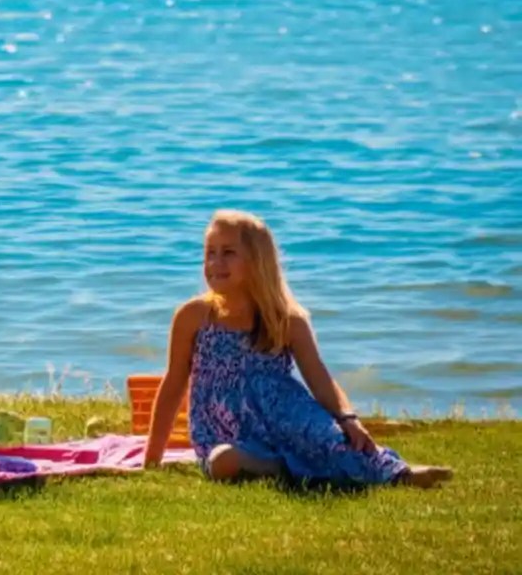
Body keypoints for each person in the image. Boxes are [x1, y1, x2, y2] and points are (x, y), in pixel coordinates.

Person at [143, 209, 452, 488]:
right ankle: (282, 469)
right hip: (226, 434)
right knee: (223, 461)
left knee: (330, 440)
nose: (215, 263)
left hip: (287, 416)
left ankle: (400, 474)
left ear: (256, 261)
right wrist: (152, 458)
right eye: (209, 253)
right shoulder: (193, 316)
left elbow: (320, 379)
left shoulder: (286, 320)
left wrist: (348, 418)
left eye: (228, 253)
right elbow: (173, 385)